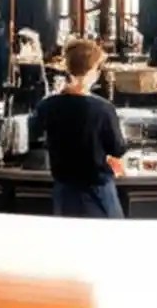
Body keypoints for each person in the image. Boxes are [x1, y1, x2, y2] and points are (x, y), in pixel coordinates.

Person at [28, 38, 127, 218]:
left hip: (64, 190)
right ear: (93, 71)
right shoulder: (103, 109)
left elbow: (34, 134)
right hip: (97, 191)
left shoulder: (47, 105)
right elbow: (117, 148)